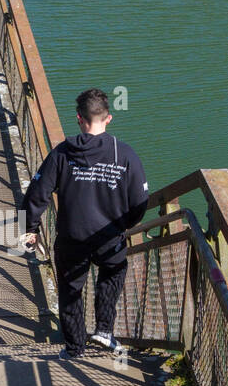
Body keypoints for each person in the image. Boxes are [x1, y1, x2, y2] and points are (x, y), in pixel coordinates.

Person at [21, 88, 148, 361]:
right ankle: (104, 328)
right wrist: (124, 224)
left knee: (70, 290)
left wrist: (30, 228)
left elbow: (36, 195)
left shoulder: (62, 154)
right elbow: (140, 202)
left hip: (71, 238)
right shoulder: (125, 155)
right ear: (109, 118)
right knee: (112, 274)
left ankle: (75, 348)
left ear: (79, 119)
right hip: (110, 238)